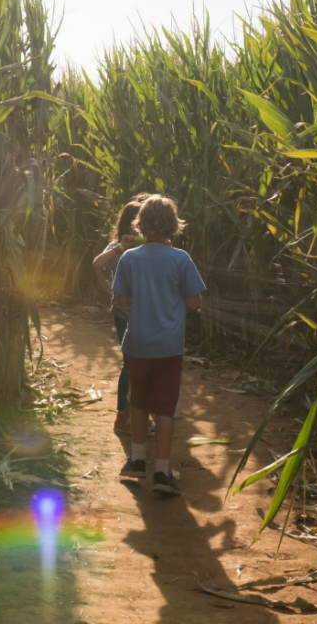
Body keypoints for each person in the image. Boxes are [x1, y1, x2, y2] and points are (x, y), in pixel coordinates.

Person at [108, 194, 205, 497]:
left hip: (136, 343)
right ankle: (162, 471)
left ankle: (137, 459)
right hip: (168, 347)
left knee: (138, 401)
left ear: (140, 224)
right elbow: (194, 301)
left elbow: (122, 302)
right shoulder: (180, 259)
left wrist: (142, 309)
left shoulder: (129, 258)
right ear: (173, 225)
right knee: (164, 408)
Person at [91, 194, 151, 458]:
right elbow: (97, 264)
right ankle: (121, 416)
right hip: (124, 314)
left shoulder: (151, 247)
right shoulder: (118, 246)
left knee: (144, 362)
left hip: (147, 313)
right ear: (129, 225)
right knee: (130, 361)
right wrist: (119, 247)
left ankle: (136, 414)